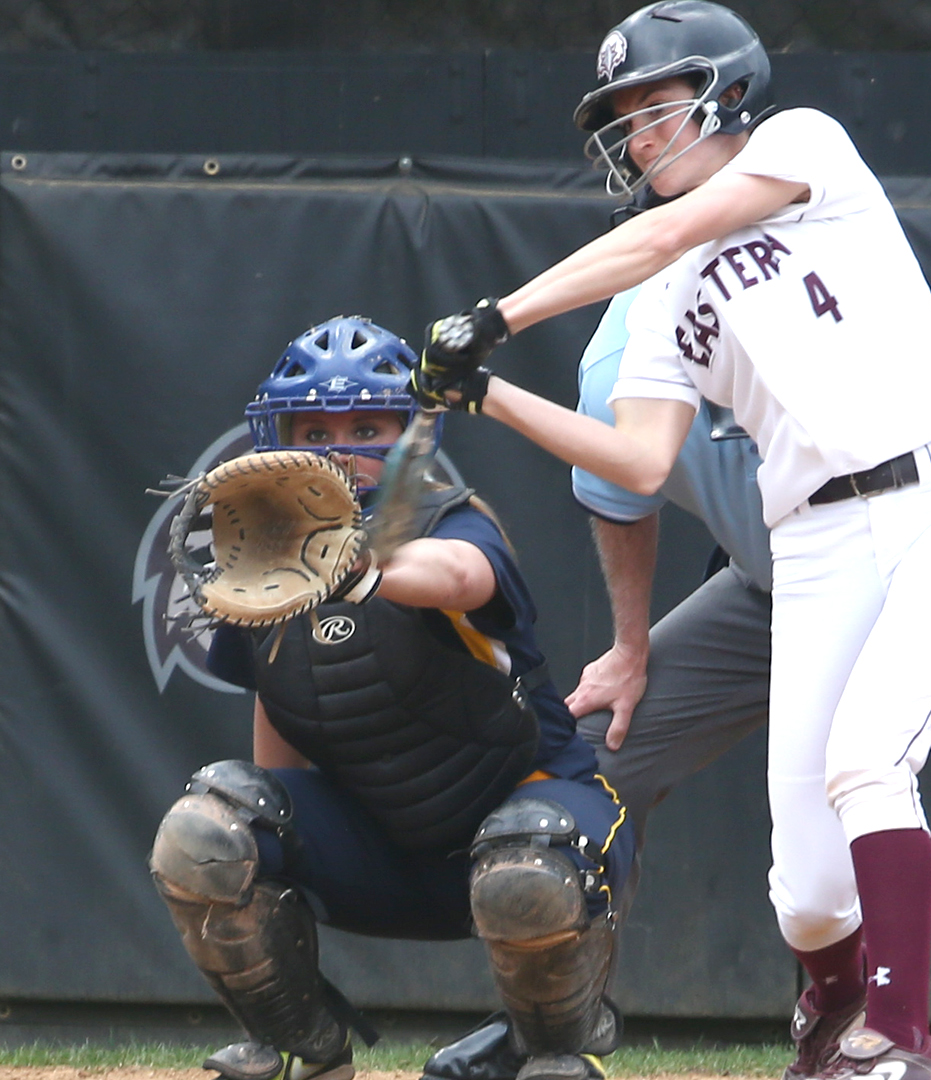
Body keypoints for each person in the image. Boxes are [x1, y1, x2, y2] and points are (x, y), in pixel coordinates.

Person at [426, 8, 931, 1079]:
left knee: (927, 749)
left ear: (726, 90)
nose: (639, 134)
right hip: (803, 553)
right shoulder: (651, 307)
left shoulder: (802, 144)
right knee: (805, 883)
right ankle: (780, 1017)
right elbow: (633, 471)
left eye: (656, 106)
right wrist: (492, 393)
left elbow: (661, 233)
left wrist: (496, 316)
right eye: (623, 119)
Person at [149, 317, 635, 1080]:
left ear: (410, 432)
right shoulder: (265, 565)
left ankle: (551, 1050)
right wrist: (262, 850)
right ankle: (304, 1045)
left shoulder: (458, 522)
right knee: (209, 825)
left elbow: (459, 575)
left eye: (369, 425)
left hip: (538, 830)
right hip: (383, 852)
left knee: (528, 861)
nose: (342, 446)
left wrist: (362, 570)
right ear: (277, 436)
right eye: (315, 427)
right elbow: (281, 743)